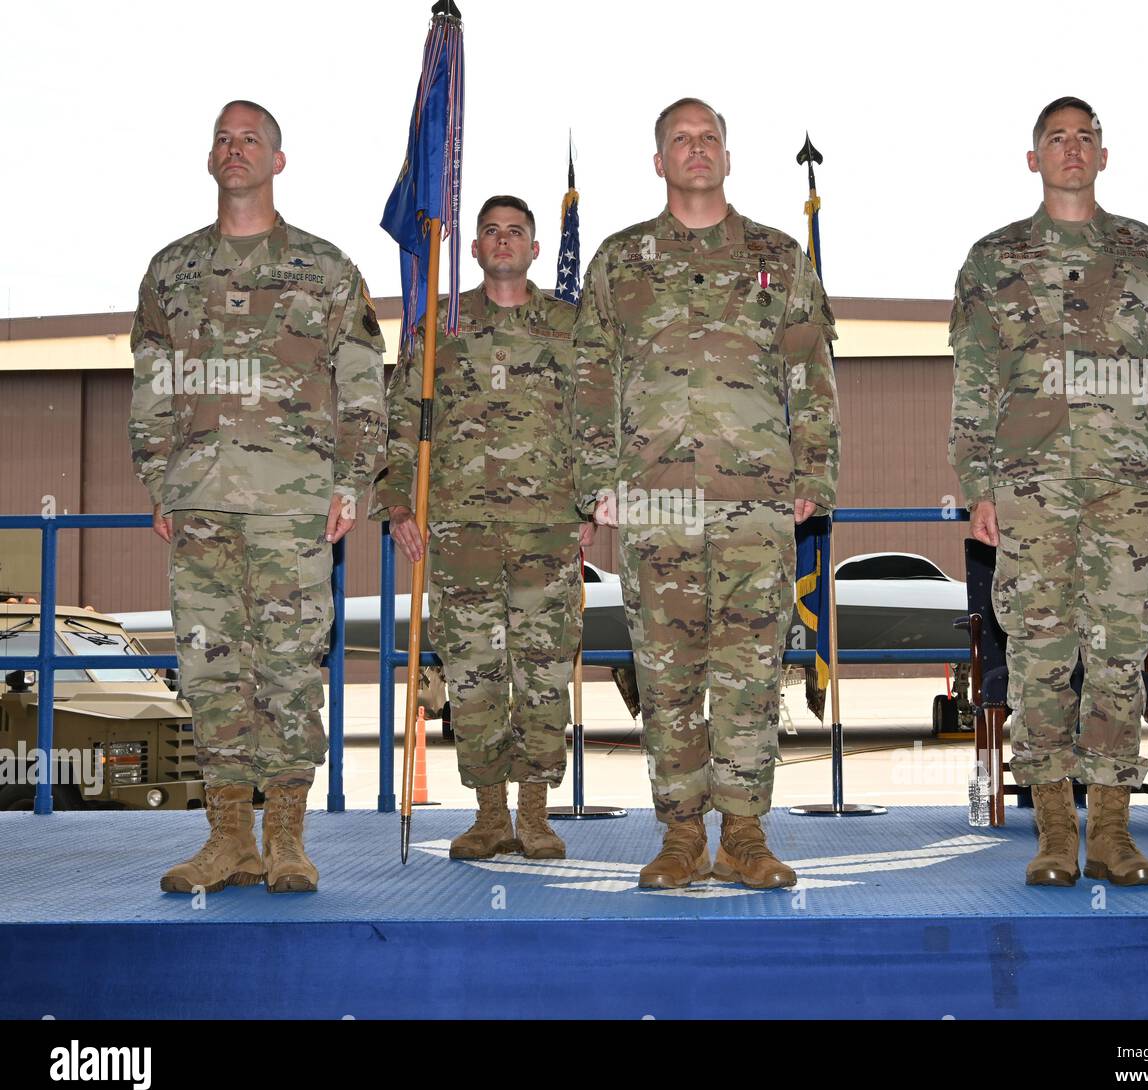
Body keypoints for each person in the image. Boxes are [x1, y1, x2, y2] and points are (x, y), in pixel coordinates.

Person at [573, 98, 839, 889]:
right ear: (659, 161)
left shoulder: (778, 256)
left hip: (756, 501)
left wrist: (813, 473)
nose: (696, 151)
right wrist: (595, 480)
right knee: (667, 672)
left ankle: (746, 834)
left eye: (709, 138)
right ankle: (682, 833)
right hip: (654, 502)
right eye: (680, 141)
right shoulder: (620, 263)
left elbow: (810, 376)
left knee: (754, 670)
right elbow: (590, 381)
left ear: (727, 155)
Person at [948, 96, 1148, 887]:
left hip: (1125, 492)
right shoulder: (993, 261)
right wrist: (977, 486)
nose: (1071, 149)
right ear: (1033, 159)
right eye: (1056, 139)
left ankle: (1112, 832)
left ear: (1103, 156)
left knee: (1119, 656)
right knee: (1036, 656)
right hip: (1027, 492)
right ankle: (1054, 832)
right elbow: (973, 383)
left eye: (1084, 138)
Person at [130, 100, 387, 893]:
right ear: (212, 159)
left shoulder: (326, 268)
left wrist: (354, 480)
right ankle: (227, 839)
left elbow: (363, 386)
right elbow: (152, 384)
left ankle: (286, 839)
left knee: (288, 671)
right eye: (223, 138)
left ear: (278, 160)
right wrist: (158, 477)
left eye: (251, 140)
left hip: (294, 506)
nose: (235, 149)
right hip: (201, 502)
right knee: (210, 672)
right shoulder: (171, 271)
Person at [374, 196, 590, 860]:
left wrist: (587, 505)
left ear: (533, 247)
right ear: (473, 248)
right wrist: (397, 503)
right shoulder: (440, 325)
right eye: (490, 231)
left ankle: (534, 815)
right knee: (473, 674)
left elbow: (595, 421)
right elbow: (403, 418)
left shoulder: (569, 326)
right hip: (461, 533)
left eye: (515, 232)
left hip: (546, 532)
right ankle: (490, 815)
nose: (503, 241)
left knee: (544, 672)